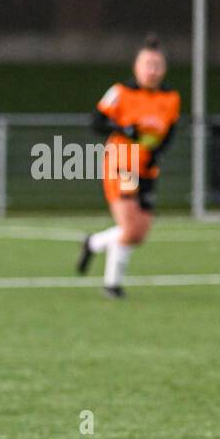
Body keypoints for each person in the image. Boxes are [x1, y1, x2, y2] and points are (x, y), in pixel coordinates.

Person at [77, 35, 181, 298]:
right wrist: (123, 128)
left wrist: (158, 153)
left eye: (157, 65)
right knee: (130, 227)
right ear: (136, 66)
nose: (152, 70)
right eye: (148, 64)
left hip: (147, 169)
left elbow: (170, 132)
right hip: (122, 164)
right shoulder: (120, 92)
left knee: (139, 233)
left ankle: (93, 243)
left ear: (164, 68)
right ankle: (112, 285)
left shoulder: (170, 98)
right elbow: (95, 122)